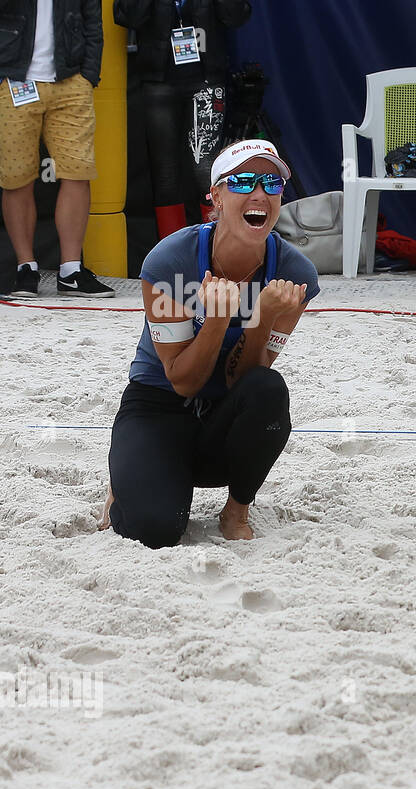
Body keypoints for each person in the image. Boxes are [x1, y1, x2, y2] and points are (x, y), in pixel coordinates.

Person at [100, 140, 319, 548]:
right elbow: (181, 381)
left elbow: (245, 379)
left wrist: (264, 317)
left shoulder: (294, 272)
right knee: (154, 530)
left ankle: (236, 508)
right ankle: (127, 479)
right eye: (243, 181)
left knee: (269, 391)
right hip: (159, 404)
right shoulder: (170, 262)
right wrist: (216, 320)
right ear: (215, 196)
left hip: (224, 417)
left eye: (271, 183)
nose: (259, 193)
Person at [0, 0, 115, 298]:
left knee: (78, 170)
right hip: (14, 79)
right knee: (16, 177)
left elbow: (93, 22)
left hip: (70, 81)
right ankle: (26, 268)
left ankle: (71, 270)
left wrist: (88, 75)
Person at [112, 0, 253, 238]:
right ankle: (172, 255)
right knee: (164, 175)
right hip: (158, 79)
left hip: (205, 78)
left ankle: (216, 249)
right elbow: (128, 16)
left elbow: (236, 16)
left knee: (205, 170)